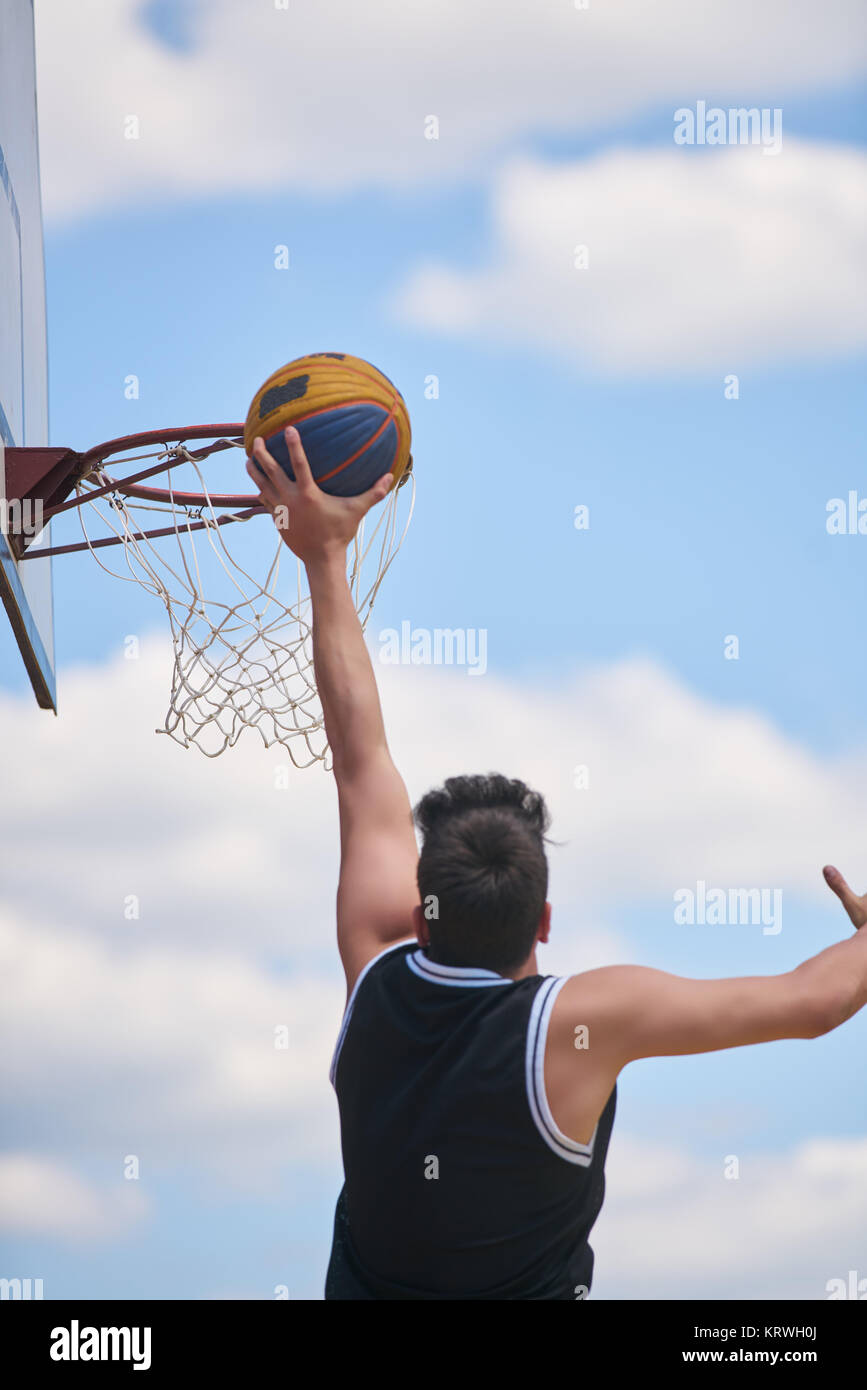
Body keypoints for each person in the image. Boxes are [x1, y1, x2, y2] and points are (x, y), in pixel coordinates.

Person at [248, 426, 867, 1301]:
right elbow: (813, 1004)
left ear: (420, 905)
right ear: (541, 920)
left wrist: (324, 559)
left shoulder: (376, 968)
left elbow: (358, 756)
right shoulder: (578, 1024)